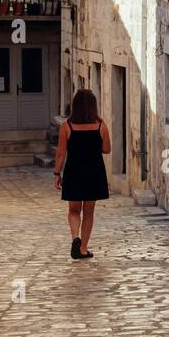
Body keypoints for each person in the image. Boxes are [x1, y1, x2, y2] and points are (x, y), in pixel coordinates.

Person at [53, 89, 110, 259]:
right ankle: (83, 249)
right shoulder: (101, 126)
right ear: (93, 107)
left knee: (73, 210)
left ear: (75, 106)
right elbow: (107, 149)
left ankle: (75, 238)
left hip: (74, 171)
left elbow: (61, 153)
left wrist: (57, 173)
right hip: (94, 171)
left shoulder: (67, 127)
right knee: (89, 212)